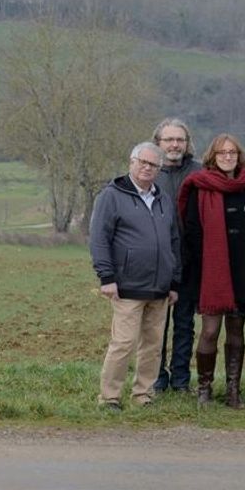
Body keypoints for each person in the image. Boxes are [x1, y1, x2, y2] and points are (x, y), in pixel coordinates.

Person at [89, 142, 180, 410]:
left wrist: (174, 282)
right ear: (132, 162)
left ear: (159, 169)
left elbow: (173, 241)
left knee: (153, 347)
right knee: (124, 344)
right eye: (143, 162)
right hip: (127, 287)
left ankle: (143, 395)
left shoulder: (164, 199)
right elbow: (99, 239)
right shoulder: (111, 196)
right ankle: (109, 398)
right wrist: (106, 277)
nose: (147, 168)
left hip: (160, 288)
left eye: (153, 165)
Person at [177, 134, 245, 409]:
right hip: (210, 270)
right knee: (210, 331)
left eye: (233, 152)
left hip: (243, 268)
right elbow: (191, 231)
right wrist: (200, 268)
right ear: (212, 157)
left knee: (236, 330)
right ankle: (204, 388)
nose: (228, 157)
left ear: (239, 156)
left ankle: (233, 391)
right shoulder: (199, 186)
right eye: (222, 153)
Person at [151, 118, 201, 395]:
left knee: (185, 323)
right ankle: (156, 378)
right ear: (158, 143)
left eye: (179, 139)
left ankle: (181, 379)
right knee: (156, 325)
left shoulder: (199, 172)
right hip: (157, 263)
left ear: (187, 142)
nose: (174, 144)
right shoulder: (149, 172)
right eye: (168, 139)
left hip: (190, 261)